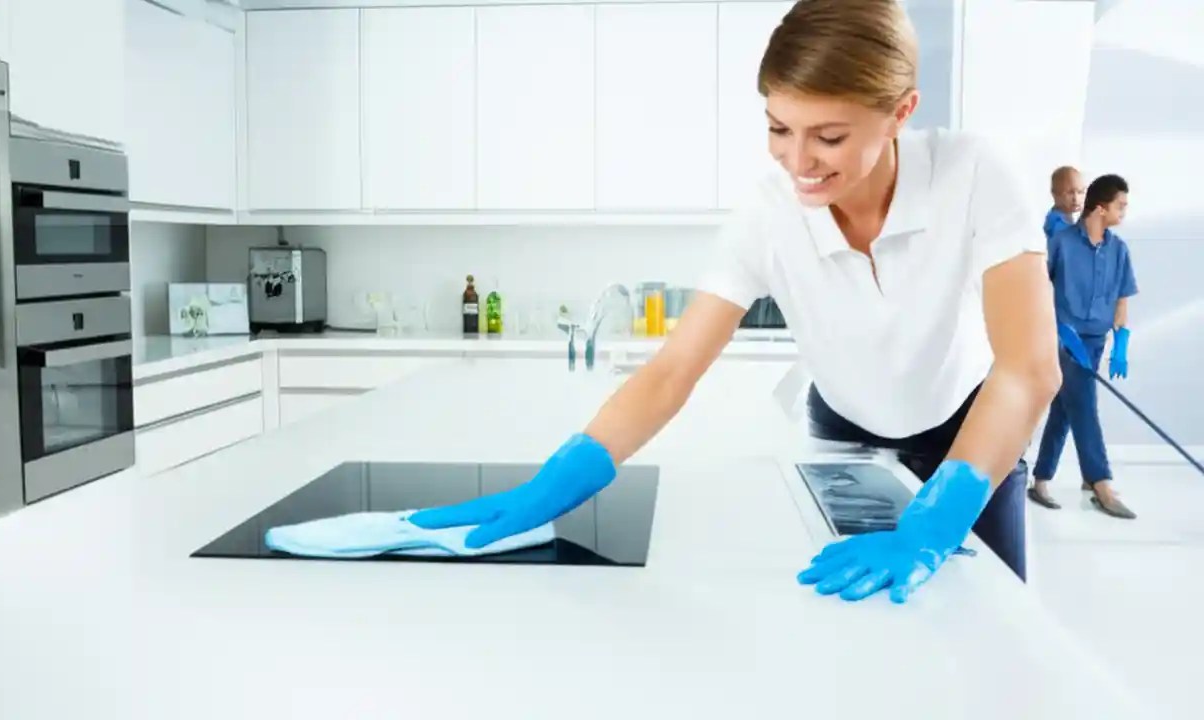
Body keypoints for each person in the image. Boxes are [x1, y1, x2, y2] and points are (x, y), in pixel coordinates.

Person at [409, 0, 1061, 604]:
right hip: (845, 434)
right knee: (865, 622)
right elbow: (671, 372)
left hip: (973, 432)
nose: (797, 160)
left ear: (901, 112)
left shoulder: (975, 173)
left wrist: (940, 519)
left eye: (828, 137)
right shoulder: (768, 212)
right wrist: (560, 479)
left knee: (988, 618)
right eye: (779, 127)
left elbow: (1028, 369)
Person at [1028, 174, 1138, 519]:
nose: (1125, 211)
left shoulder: (1119, 249)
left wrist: (1120, 343)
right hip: (1062, 339)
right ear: (1101, 207)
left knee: (1066, 408)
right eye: (1121, 205)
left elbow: (1122, 298)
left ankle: (1041, 478)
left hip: (1094, 342)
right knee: (1085, 405)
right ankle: (1100, 481)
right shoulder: (1061, 242)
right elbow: (1036, 289)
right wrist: (1058, 329)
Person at [1045, 166, 1084, 238]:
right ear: (1055, 195)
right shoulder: (1055, 220)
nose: (1076, 198)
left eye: (1080, 192)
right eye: (1069, 193)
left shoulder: (1067, 215)